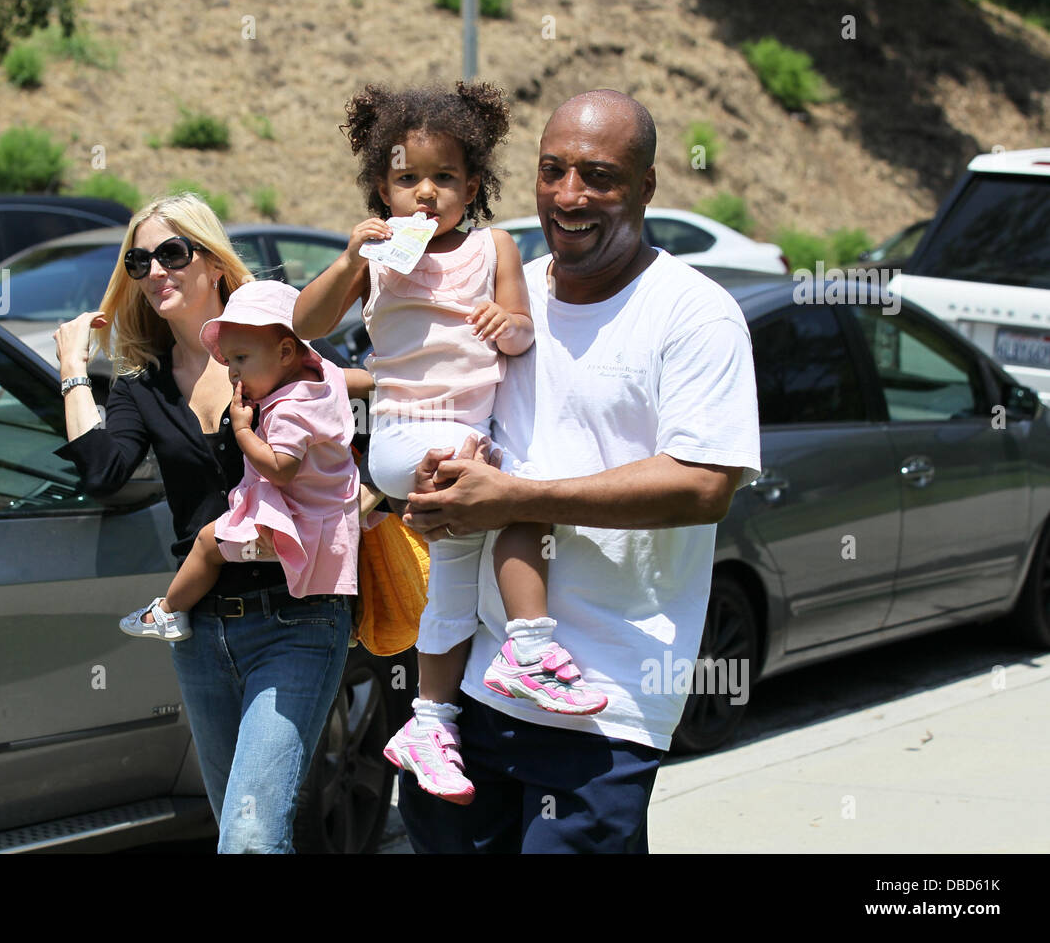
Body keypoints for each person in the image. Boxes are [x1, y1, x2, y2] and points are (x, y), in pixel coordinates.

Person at [396, 90, 762, 852]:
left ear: (647, 188)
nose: (570, 196)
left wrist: (516, 498)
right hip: (475, 689)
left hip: (607, 704)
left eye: (598, 176)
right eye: (552, 170)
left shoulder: (694, 313)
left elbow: (704, 486)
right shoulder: (507, 297)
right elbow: (439, 409)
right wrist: (429, 493)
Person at [295, 81, 606, 807]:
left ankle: (430, 721)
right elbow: (306, 325)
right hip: (406, 438)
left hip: (468, 438)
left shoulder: (494, 246)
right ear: (382, 187)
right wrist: (349, 260)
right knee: (514, 495)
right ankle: (529, 645)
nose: (425, 194)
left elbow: (522, 328)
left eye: (444, 178)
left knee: (457, 580)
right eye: (406, 179)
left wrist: (508, 324)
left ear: (473, 185)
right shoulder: (378, 258)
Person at [53, 195, 371, 853]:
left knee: (251, 836)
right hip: (200, 634)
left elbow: (360, 441)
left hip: (298, 618)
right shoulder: (142, 386)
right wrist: (72, 371)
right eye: (140, 261)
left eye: (173, 253)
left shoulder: (285, 346)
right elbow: (104, 470)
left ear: (215, 263)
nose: (156, 271)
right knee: (243, 829)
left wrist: (349, 516)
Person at [116, 280, 359, 642]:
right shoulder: (323, 381)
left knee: (205, 544)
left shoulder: (289, 410)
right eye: (229, 362)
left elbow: (281, 468)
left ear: (286, 351)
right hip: (318, 518)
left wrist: (244, 433)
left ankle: (168, 612)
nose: (232, 372)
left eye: (241, 359)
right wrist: (398, 387)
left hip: (290, 523)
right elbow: (357, 380)